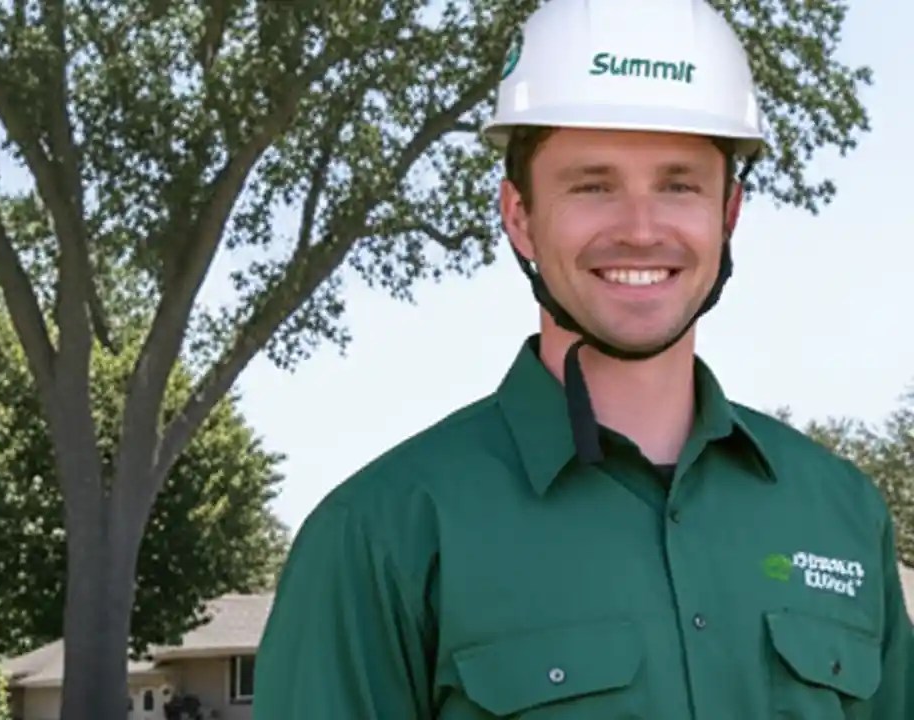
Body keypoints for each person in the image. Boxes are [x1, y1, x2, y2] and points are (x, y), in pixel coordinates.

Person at [252, 0, 914, 718]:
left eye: (679, 184)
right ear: (520, 216)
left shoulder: (842, 514)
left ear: (728, 215)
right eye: (592, 185)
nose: (639, 229)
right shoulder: (380, 536)